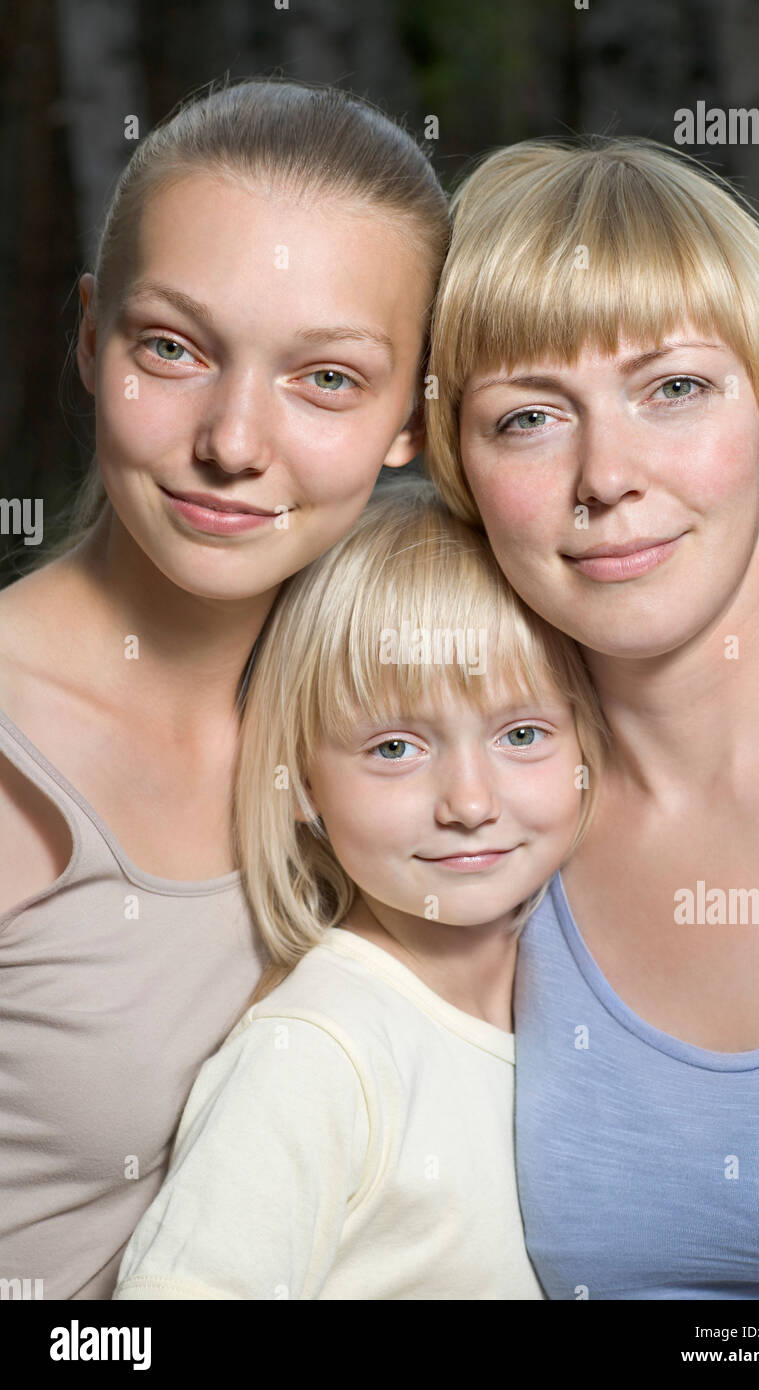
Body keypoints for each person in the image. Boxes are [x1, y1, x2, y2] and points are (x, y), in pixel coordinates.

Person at [0, 78, 449, 1300]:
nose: (235, 441)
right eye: (174, 348)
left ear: (410, 417)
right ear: (89, 338)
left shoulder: (393, 718)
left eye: (327, 379)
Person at [425, 136, 759, 1299]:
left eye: (673, 388)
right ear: (456, 471)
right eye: (526, 416)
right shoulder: (473, 813)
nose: (605, 473)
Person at [112, 478, 604, 1300]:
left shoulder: (579, 997)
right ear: (303, 782)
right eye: (395, 749)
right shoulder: (315, 1052)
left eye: (522, 734)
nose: (471, 803)